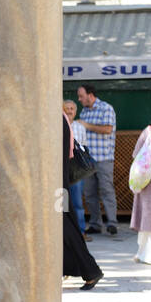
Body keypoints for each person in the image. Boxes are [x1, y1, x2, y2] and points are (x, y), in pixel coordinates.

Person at [63, 112, 102, 289]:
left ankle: (91, 270)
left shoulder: (55, 117)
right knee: (63, 225)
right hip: (56, 185)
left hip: (54, 187)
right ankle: (67, 268)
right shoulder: (61, 116)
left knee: (64, 225)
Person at [77, 83, 118, 235]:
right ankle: (95, 224)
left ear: (90, 95)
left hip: (103, 158)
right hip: (87, 160)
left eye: (81, 96)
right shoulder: (84, 112)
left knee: (106, 190)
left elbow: (107, 129)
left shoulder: (106, 108)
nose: (79, 99)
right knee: (89, 193)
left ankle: (112, 223)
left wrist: (86, 125)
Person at [130, 109, 151, 265]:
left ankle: (145, 254)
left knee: (148, 217)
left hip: (148, 180)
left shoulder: (149, 132)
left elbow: (136, 154)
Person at [63, 99, 88, 237]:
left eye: (72, 108)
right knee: (63, 199)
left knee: (77, 201)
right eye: (67, 108)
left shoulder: (80, 127)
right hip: (61, 167)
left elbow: (83, 147)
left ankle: (81, 231)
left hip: (75, 168)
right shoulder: (58, 124)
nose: (70, 111)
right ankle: (64, 231)